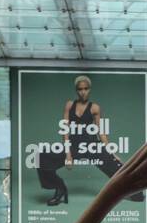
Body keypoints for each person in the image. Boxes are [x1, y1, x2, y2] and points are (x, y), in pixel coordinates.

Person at [37, 75, 124, 206]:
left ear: (89, 89)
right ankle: (60, 188)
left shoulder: (95, 108)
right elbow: (65, 130)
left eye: (86, 89)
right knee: (41, 156)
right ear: (76, 90)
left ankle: (140, 190)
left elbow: (101, 132)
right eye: (80, 89)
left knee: (118, 167)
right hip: (73, 147)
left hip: (91, 147)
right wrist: (68, 154)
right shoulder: (69, 105)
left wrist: (111, 152)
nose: (83, 92)